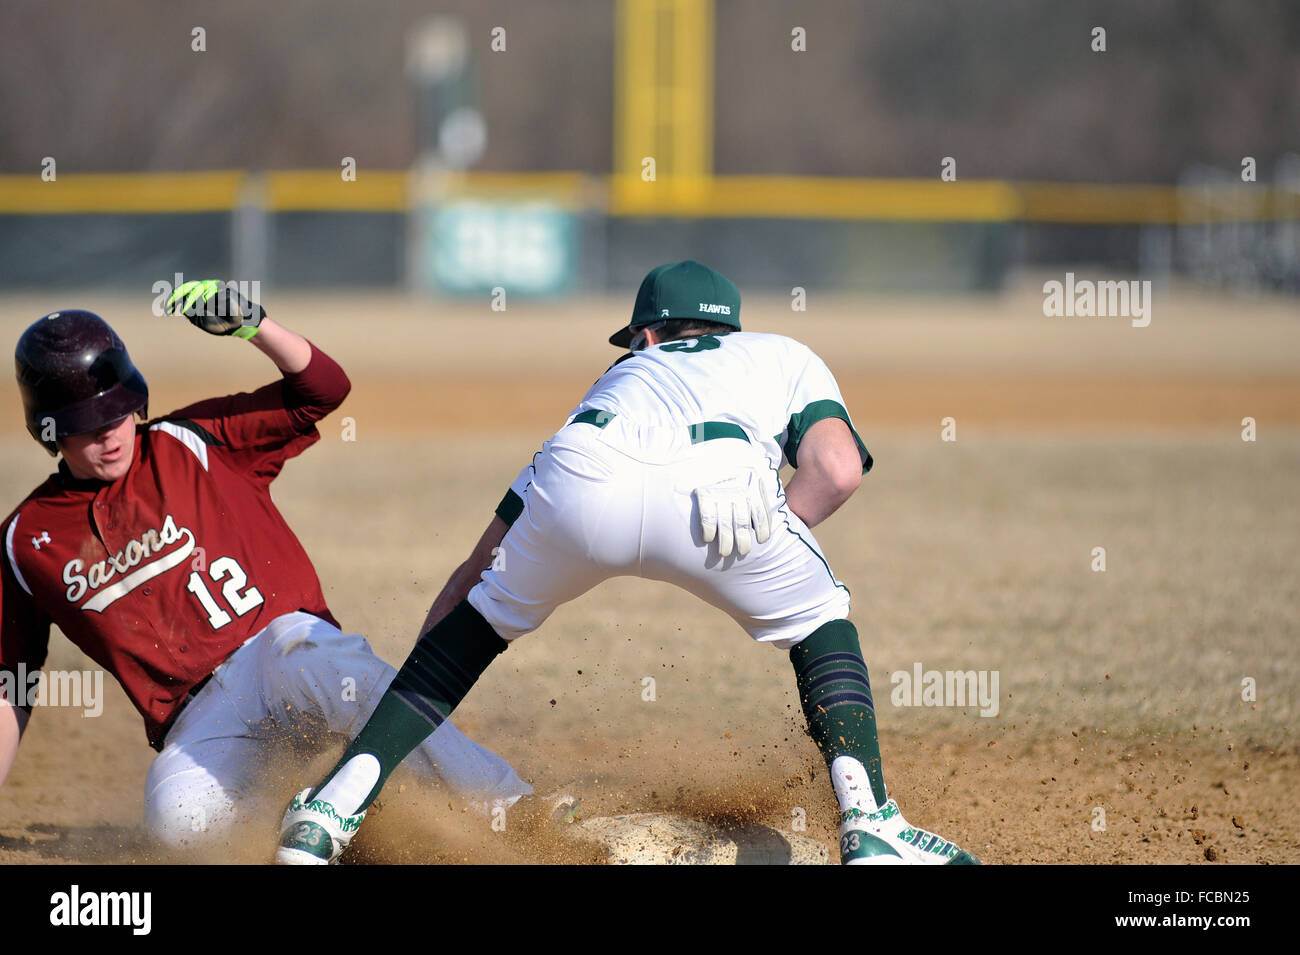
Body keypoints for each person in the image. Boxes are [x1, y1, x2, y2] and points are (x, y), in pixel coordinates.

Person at [276, 260, 979, 866]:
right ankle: (870, 820)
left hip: (584, 470)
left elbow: (472, 570)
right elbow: (839, 467)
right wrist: (774, 526)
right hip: (721, 480)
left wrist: (422, 676)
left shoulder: (614, 382)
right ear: (728, 328)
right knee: (821, 617)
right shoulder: (780, 353)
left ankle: (333, 808)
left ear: (646, 335)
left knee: (482, 618)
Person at [0, 282, 531, 858]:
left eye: (118, 413)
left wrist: (257, 327)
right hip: (197, 719)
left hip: (278, 654)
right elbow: (9, 684)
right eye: (86, 425)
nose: (109, 435)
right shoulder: (26, 540)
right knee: (178, 829)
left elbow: (323, 389)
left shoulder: (191, 440)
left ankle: (508, 806)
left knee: (319, 657)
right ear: (47, 431)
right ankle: (320, 823)